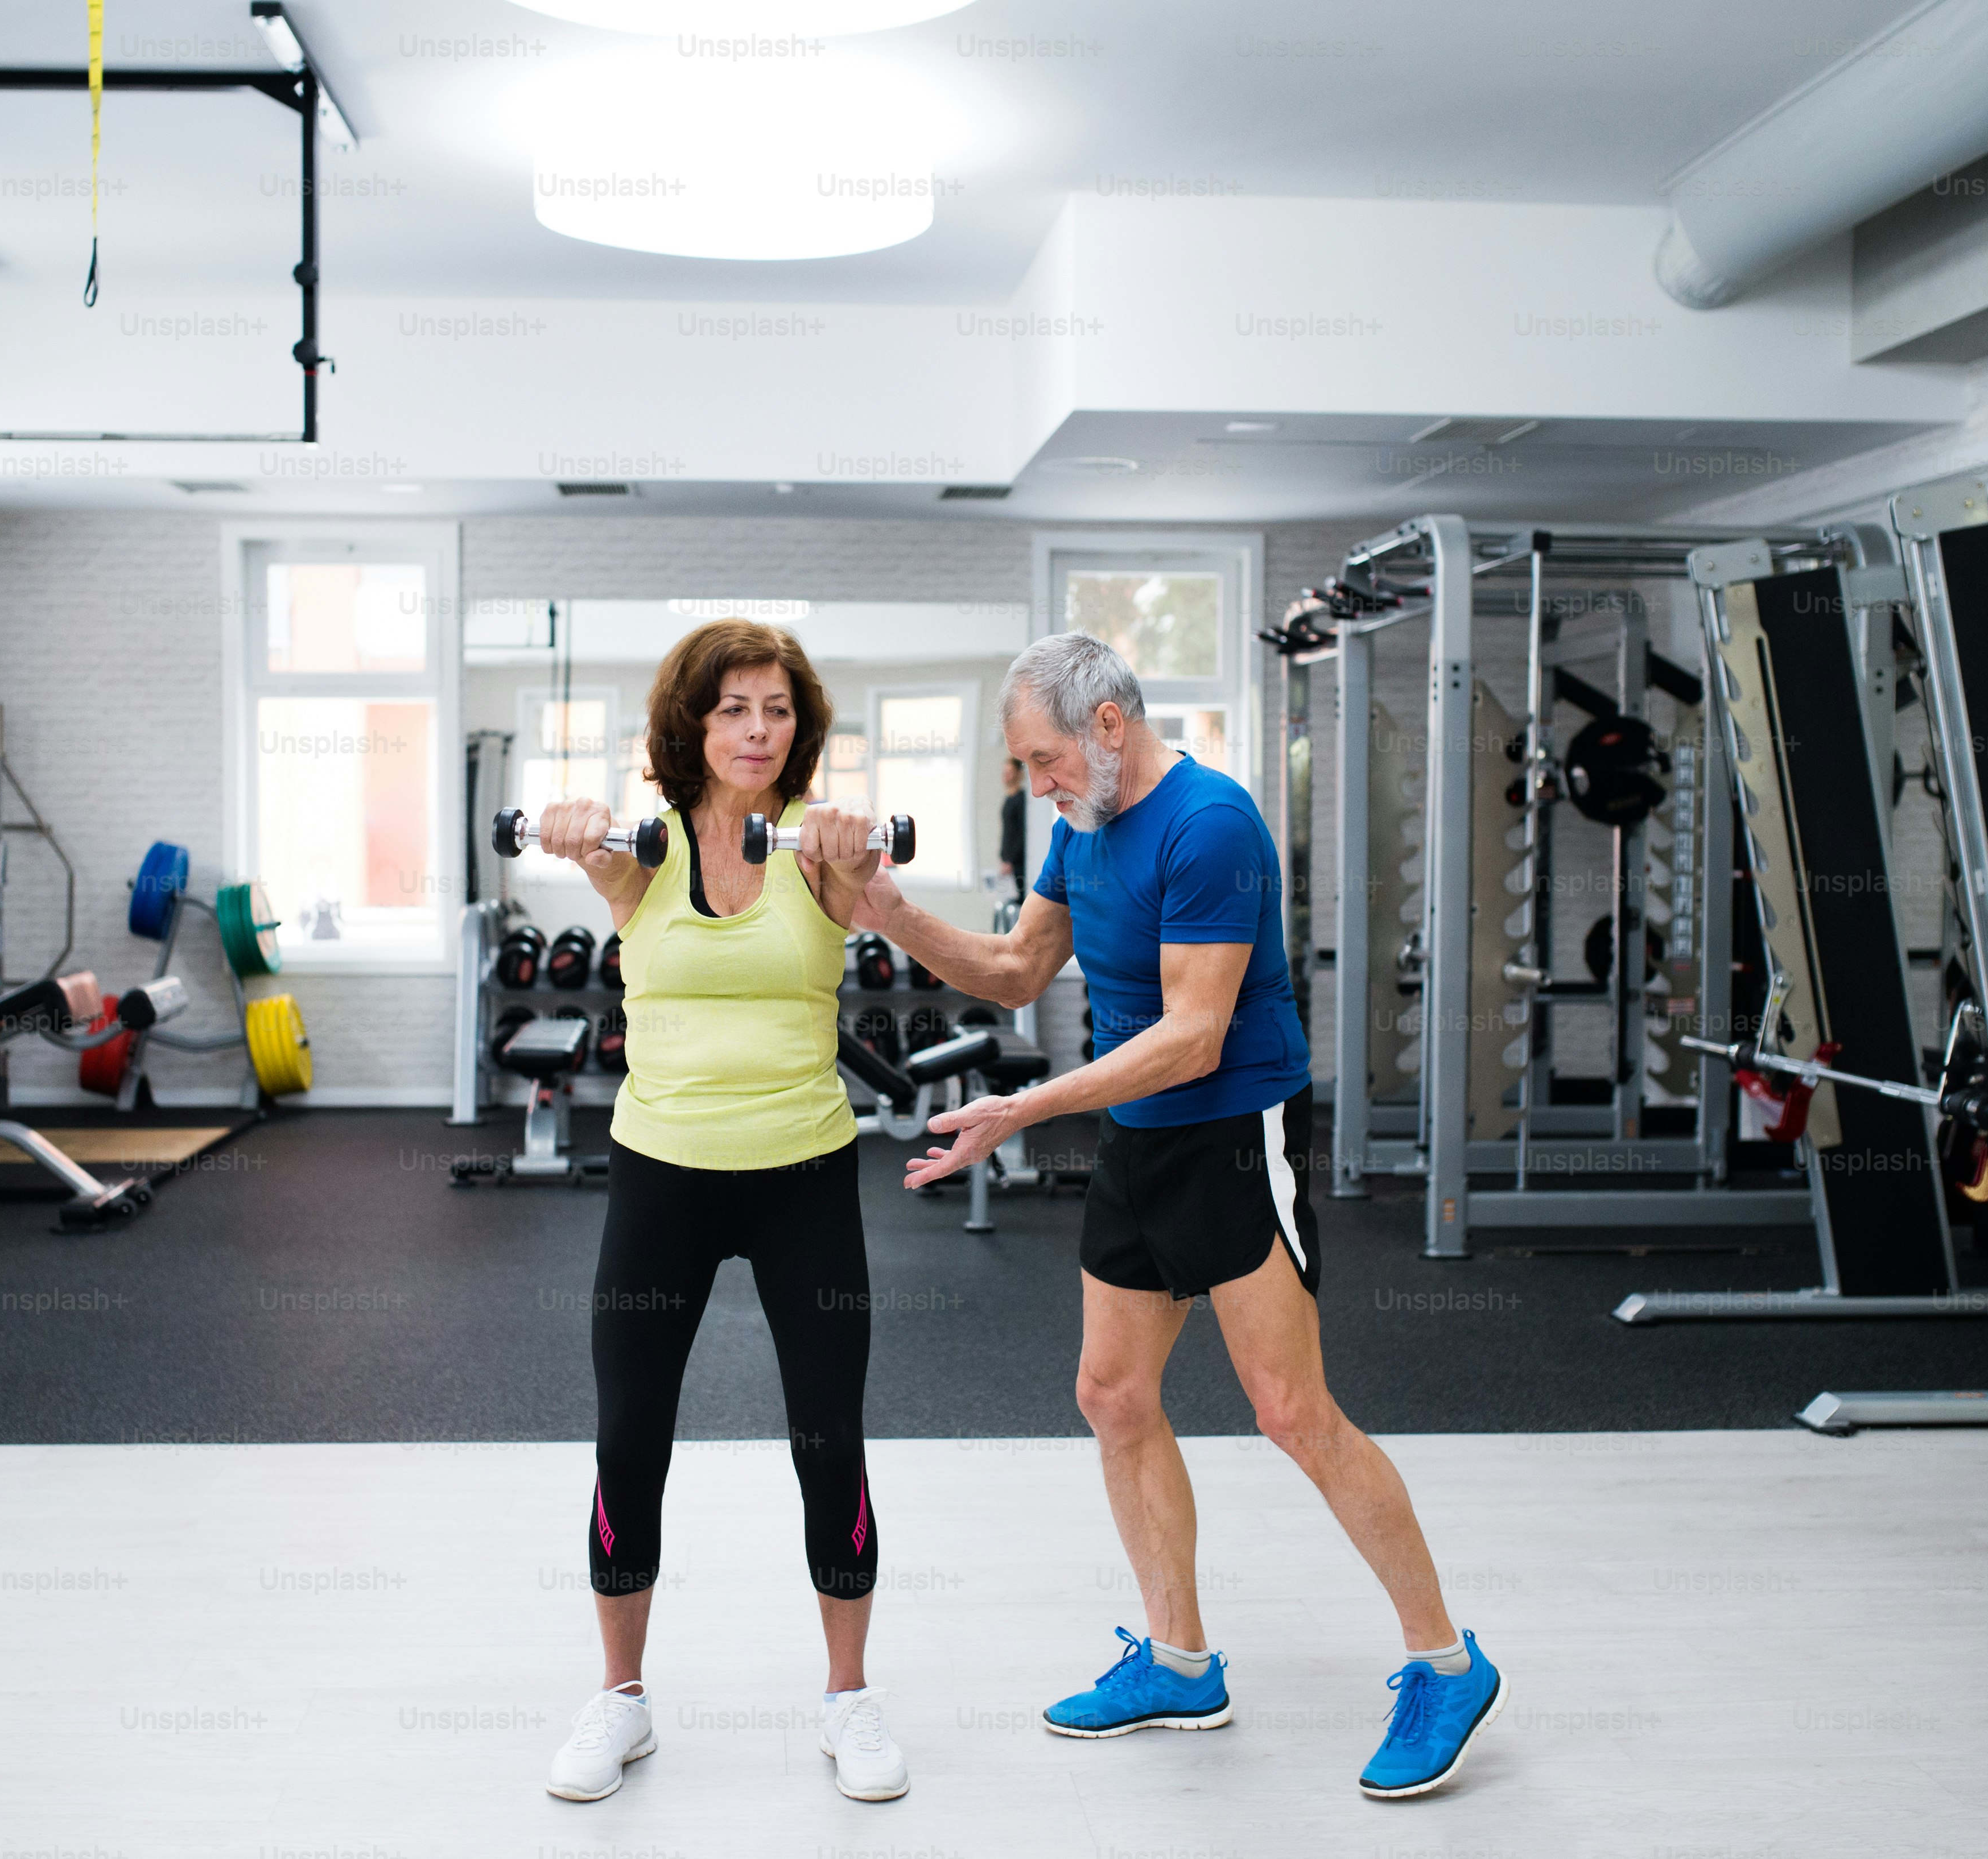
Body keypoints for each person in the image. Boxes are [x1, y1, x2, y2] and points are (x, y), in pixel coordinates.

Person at [852, 630, 1504, 1799]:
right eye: (1025, 768)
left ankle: (1443, 1659)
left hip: (1231, 1137)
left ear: (1107, 725)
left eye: (1043, 758)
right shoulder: (1081, 826)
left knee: (1291, 1410)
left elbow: (1192, 1034)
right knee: (1110, 1393)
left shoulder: (1210, 825)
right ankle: (1178, 1660)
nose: (1036, 785)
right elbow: (1013, 970)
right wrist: (884, 909)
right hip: (1136, 1140)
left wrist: (1027, 1107)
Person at [529, 618, 908, 1806]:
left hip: (804, 1170)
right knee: (629, 1432)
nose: (757, 727)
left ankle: (848, 1696)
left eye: (778, 708)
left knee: (825, 1431)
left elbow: (878, 903)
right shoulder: (639, 856)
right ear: (691, 722)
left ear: (801, 730)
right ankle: (620, 1697)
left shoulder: (820, 854)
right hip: (661, 1172)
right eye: (735, 706)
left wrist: (859, 857)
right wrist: (571, 832)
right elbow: (592, 852)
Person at [998, 757, 1028, 902]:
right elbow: (1007, 832)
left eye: (1010, 772)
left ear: (1018, 774)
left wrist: (1011, 860)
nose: (1006, 776)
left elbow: (1022, 833)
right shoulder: (1008, 799)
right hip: (1008, 862)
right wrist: (1003, 857)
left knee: (1019, 901)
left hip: (1018, 863)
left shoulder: (1021, 799)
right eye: (1004, 772)